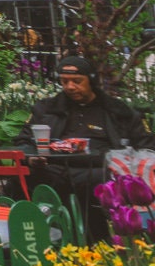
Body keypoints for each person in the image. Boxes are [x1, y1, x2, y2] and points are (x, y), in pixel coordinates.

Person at [27, 56, 153, 214]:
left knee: (102, 181)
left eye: (77, 81)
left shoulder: (118, 111)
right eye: (64, 82)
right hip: (55, 169)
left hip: (102, 170)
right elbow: (23, 141)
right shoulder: (47, 110)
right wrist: (30, 159)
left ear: (91, 81)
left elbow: (145, 145)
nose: (70, 87)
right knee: (28, 179)